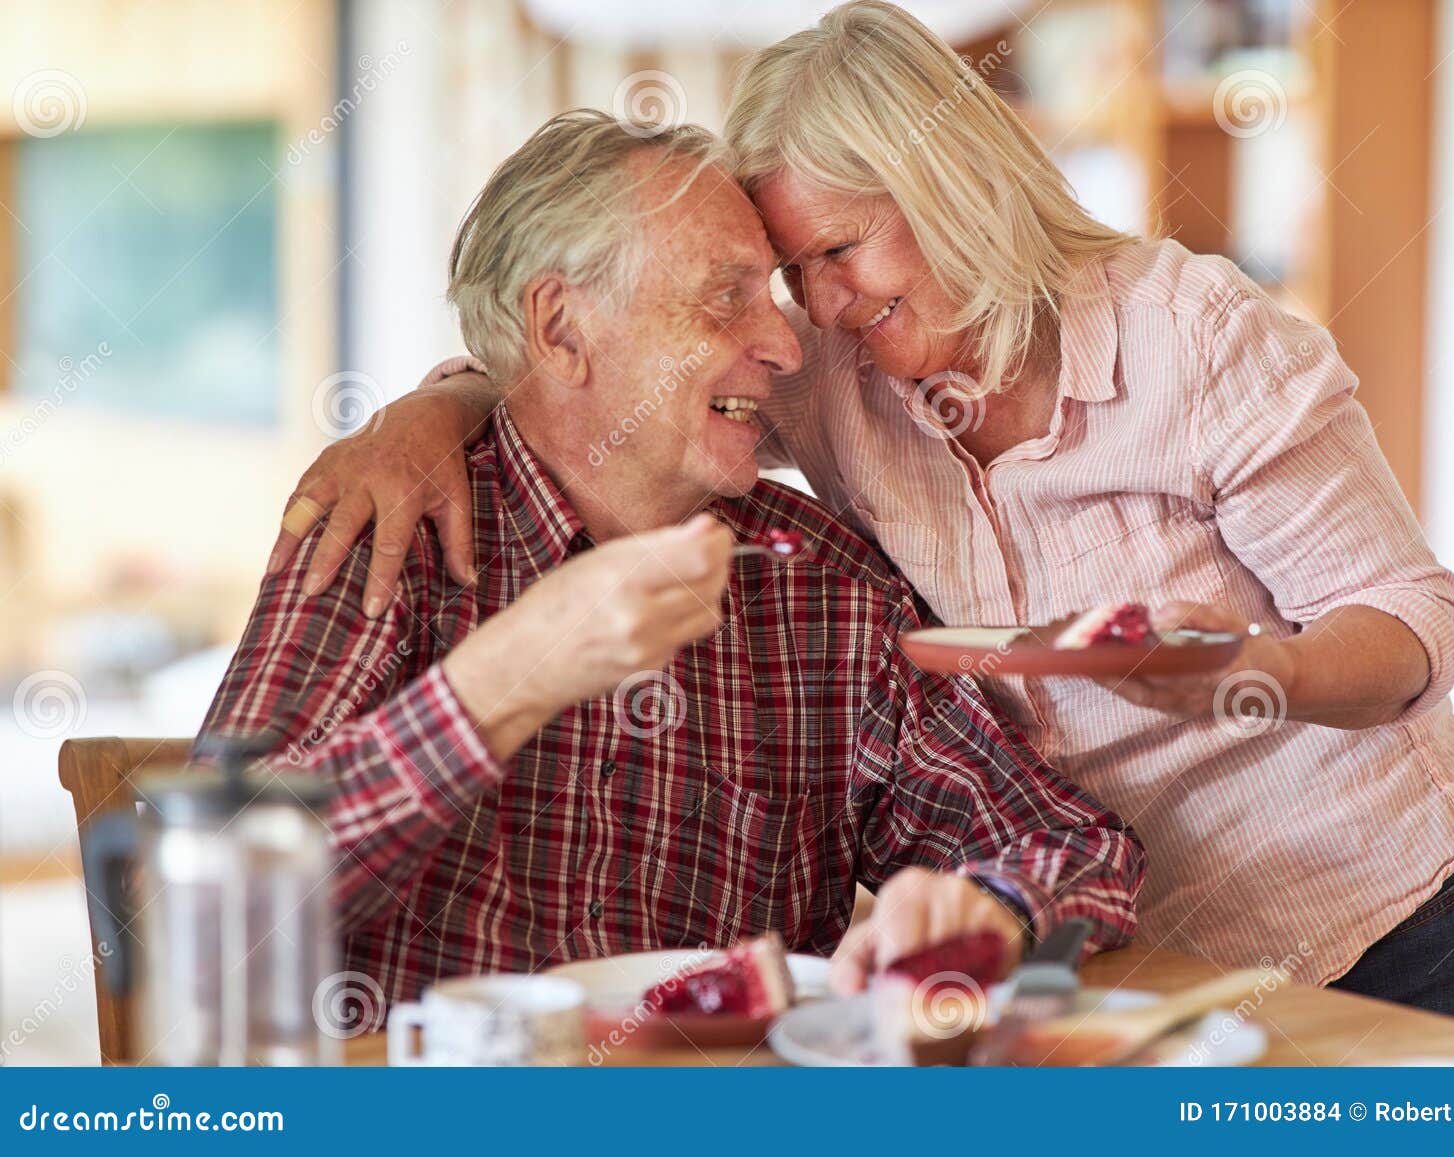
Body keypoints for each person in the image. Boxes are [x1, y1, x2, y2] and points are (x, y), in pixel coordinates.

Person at [267, 2, 1454, 1030]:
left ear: (944, 187)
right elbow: (593, 376)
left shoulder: (1188, 340)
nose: (798, 321)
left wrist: (1239, 676)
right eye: (763, 281)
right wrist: (423, 421)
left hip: (1390, 906)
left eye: (835, 254)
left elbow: (1408, 628)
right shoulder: (419, 528)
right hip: (1153, 963)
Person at [200, 109, 1144, 1009]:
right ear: (563, 329)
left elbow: (1070, 844)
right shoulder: (395, 530)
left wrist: (992, 906)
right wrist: (495, 689)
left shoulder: (824, 588)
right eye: (725, 296)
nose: (784, 344)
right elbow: (201, 908)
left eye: (772, 294)